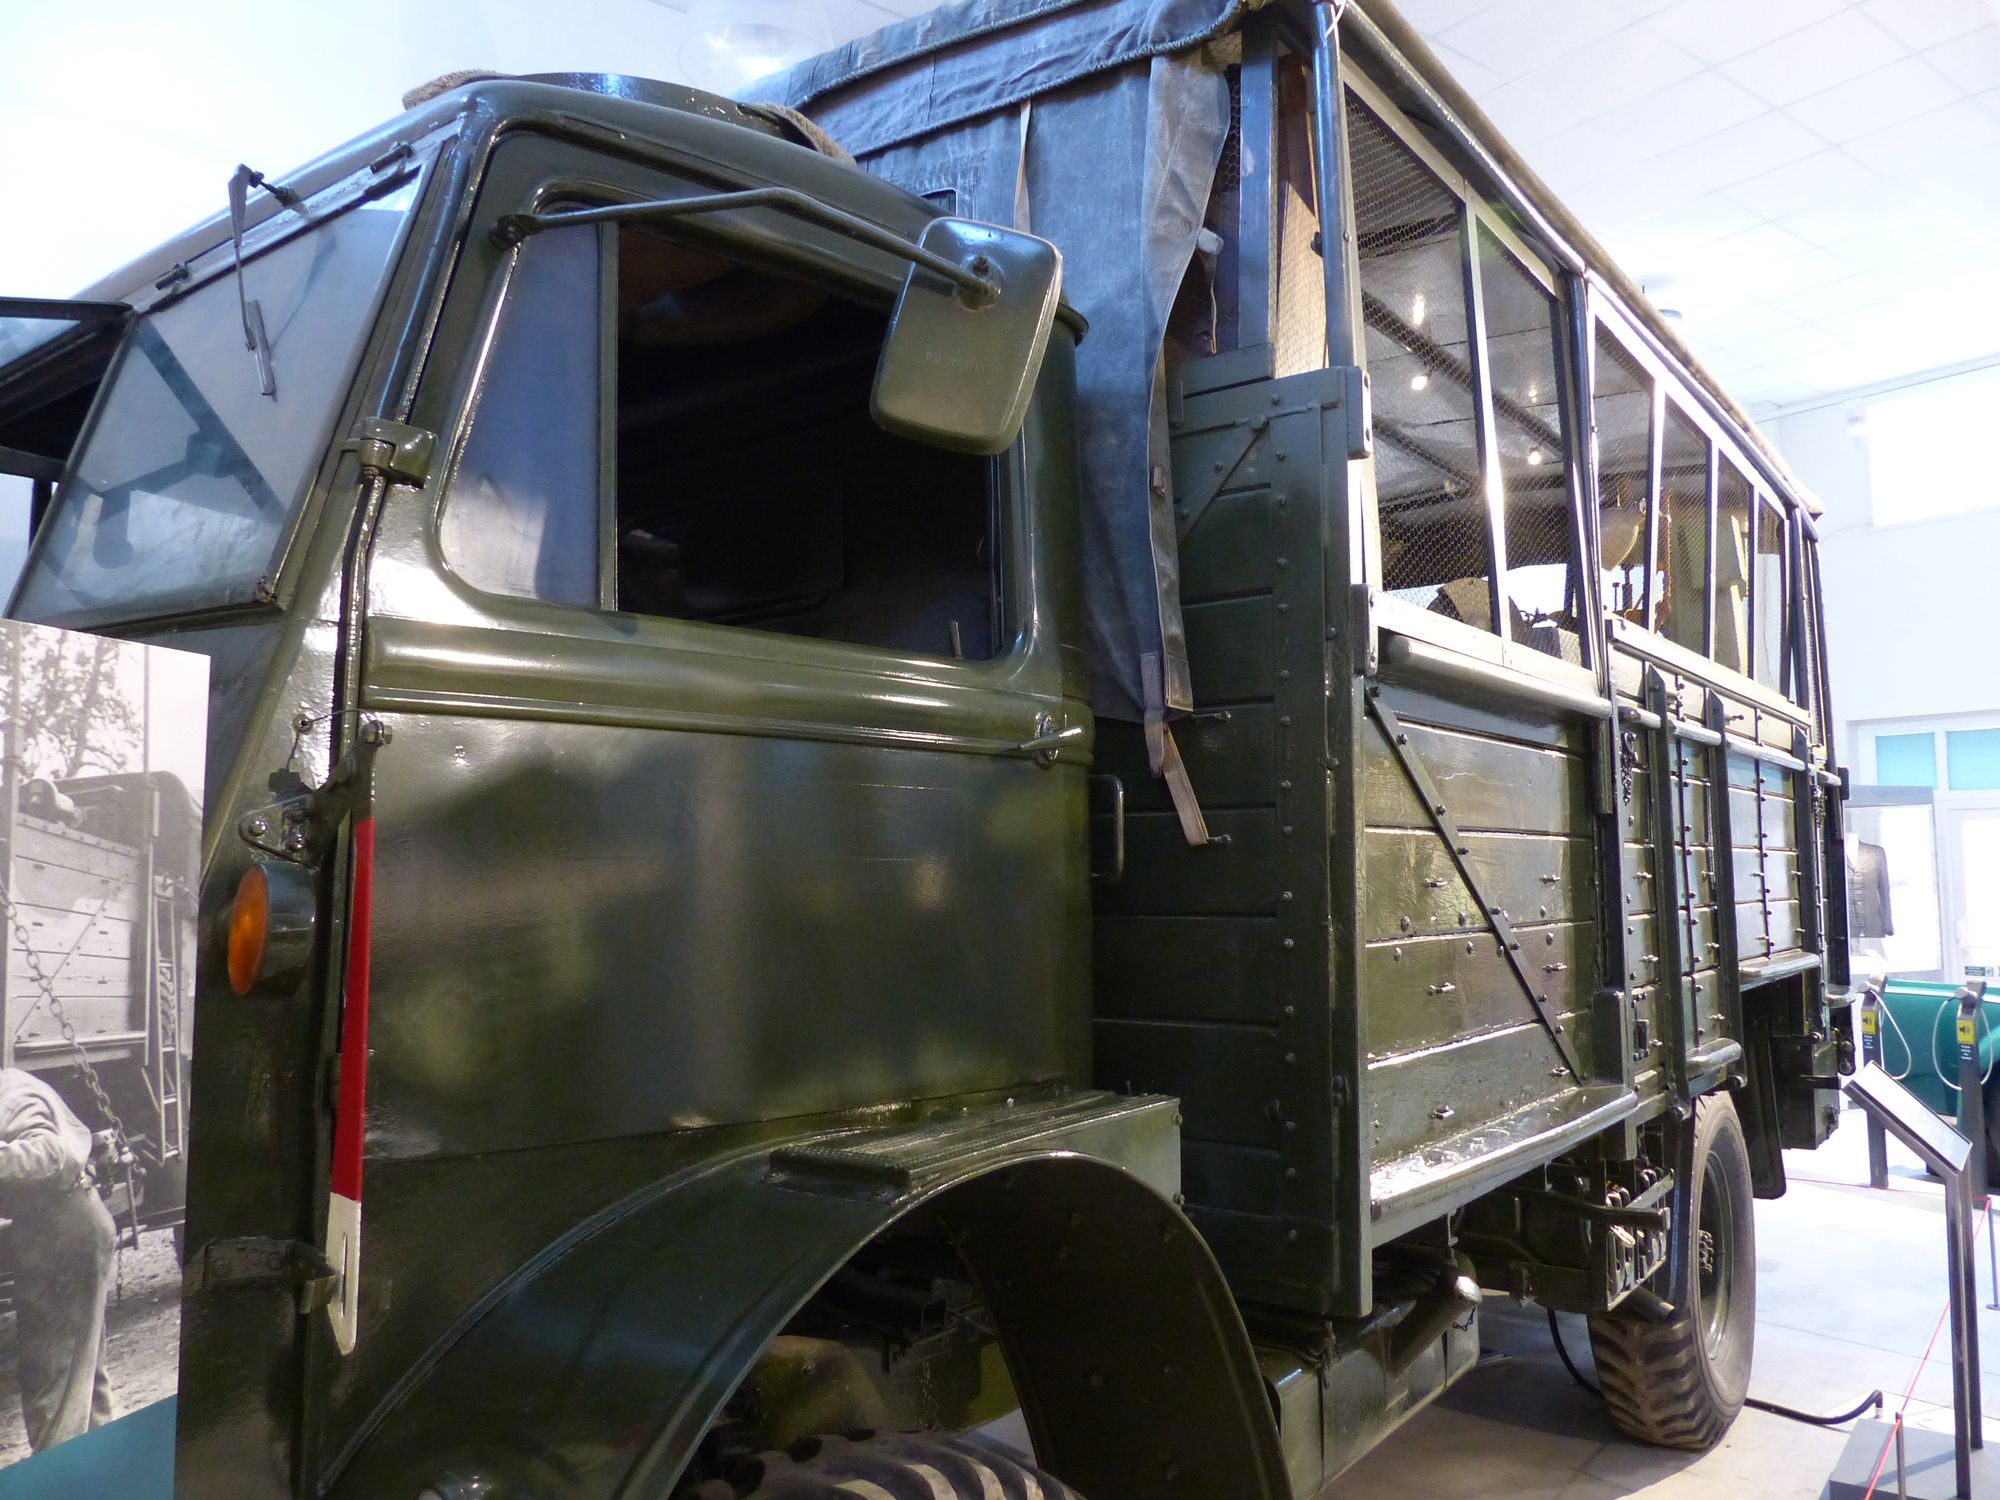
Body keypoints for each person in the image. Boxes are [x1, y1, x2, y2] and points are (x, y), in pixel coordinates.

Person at [0, 1069, 116, 1451]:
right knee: (84, 1378)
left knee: (50, 1381)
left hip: (60, 1232)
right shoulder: (15, 1083)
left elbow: (51, 1154)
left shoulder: (9, 1095)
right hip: (70, 1226)